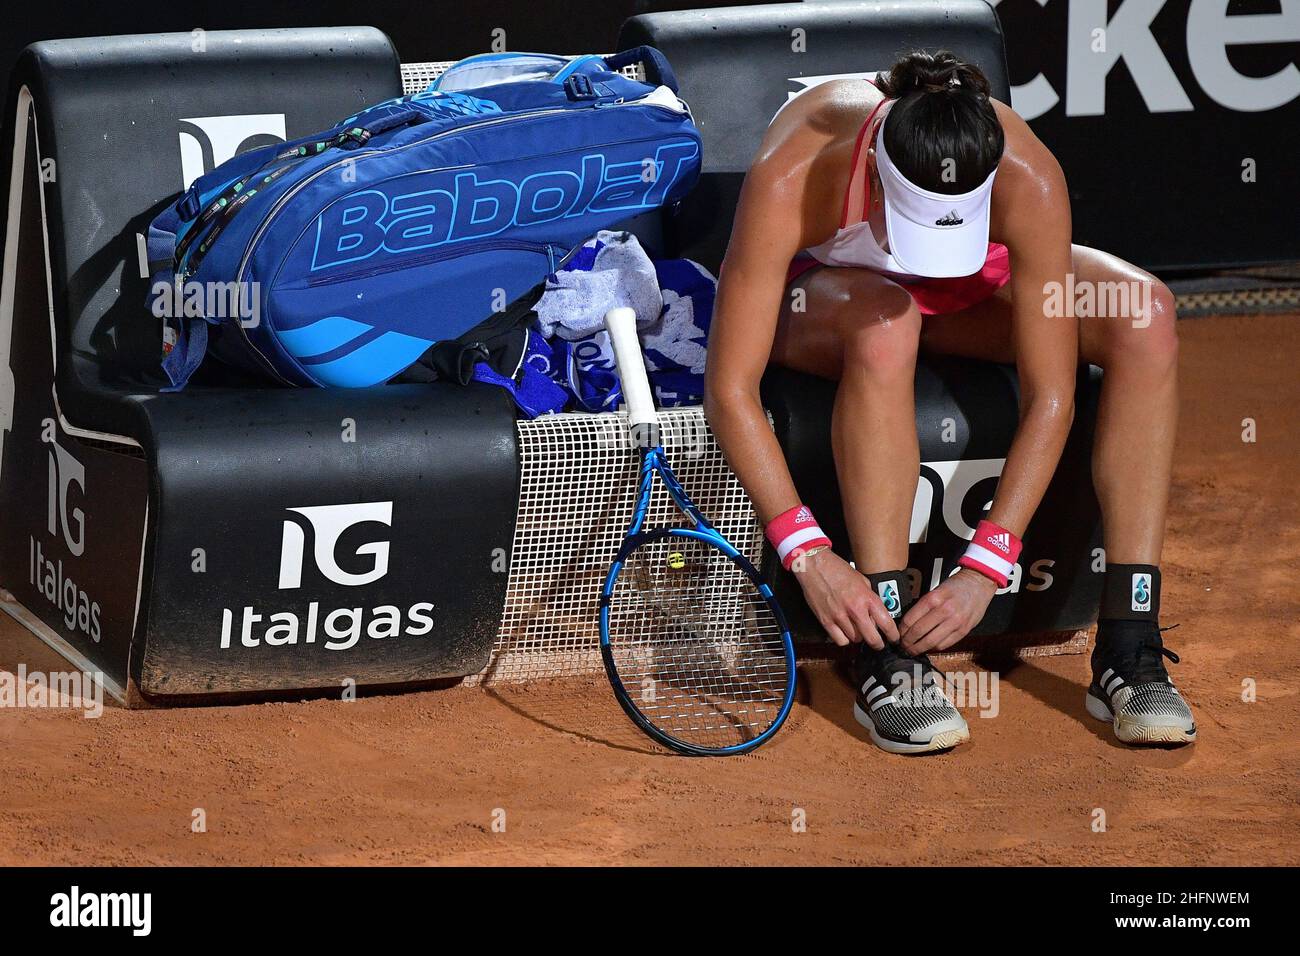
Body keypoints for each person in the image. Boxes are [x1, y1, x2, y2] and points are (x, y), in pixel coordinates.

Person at [703, 50, 1195, 754]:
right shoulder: (798, 169)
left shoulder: (1030, 174)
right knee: (888, 320)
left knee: (1145, 312)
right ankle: (888, 650)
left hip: (966, 305)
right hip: (833, 301)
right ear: (875, 167)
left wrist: (987, 565)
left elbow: (1051, 392)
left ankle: (1129, 640)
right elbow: (729, 386)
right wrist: (806, 551)